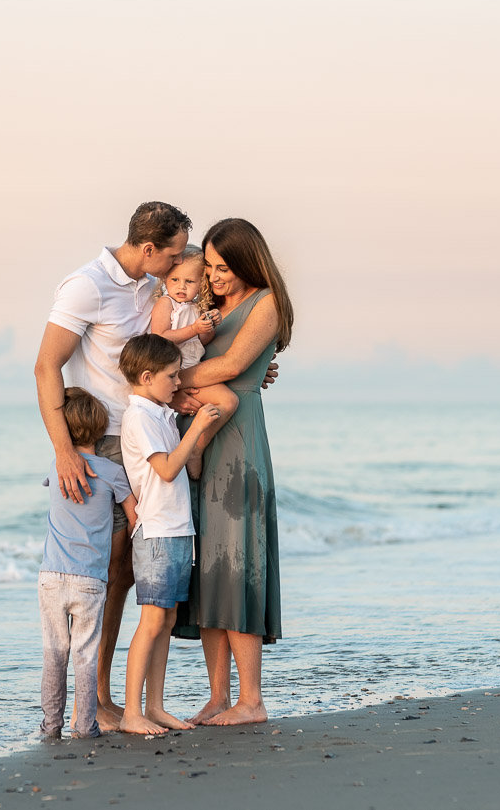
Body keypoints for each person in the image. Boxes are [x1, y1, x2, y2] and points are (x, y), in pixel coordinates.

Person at [34, 201, 192, 731]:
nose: (176, 265)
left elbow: (168, 347)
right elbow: (45, 367)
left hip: (146, 432)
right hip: (101, 443)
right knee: (101, 569)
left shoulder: (152, 285)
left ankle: (103, 693)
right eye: (171, 255)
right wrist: (63, 451)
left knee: (125, 572)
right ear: (148, 248)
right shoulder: (85, 286)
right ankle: (94, 699)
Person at [171, 218, 294, 727]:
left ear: (247, 261)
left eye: (224, 268)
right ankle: (219, 697)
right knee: (209, 571)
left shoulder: (266, 302)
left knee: (239, 562)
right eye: (211, 267)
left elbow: (231, 365)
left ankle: (252, 700)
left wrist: (165, 379)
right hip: (195, 433)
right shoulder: (206, 307)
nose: (215, 276)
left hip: (238, 437)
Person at [116, 334, 220, 736]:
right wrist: (196, 430)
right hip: (156, 532)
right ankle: (130, 712)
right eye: (172, 376)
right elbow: (165, 469)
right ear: (147, 376)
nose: (178, 383)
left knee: (168, 618)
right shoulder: (140, 417)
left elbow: (188, 469)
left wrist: (191, 429)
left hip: (177, 528)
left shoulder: (160, 414)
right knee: (151, 620)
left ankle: (155, 706)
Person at [38, 387, 139, 739]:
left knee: (54, 653)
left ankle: (50, 727)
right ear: (100, 429)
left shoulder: (56, 467)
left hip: (51, 577)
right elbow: (133, 518)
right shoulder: (112, 473)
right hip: (91, 581)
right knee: (84, 654)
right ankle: (85, 725)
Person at [149, 245, 238, 477]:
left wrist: (209, 324)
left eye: (189, 281)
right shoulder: (165, 304)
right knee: (228, 401)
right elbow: (160, 339)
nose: (181, 286)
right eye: (174, 279)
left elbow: (204, 341)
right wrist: (193, 328)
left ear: (202, 284)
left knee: (226, 402)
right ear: (165, 279)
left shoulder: (197, 308)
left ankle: (193, 446)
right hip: (175, 372)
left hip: (193, 370)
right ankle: (195, 448)